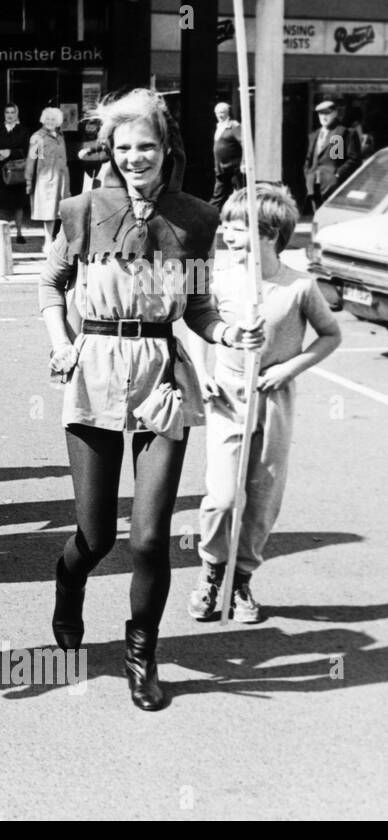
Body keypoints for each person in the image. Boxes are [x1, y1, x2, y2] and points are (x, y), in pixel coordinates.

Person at [39, 88, 264, 712]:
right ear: (110, 151)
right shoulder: (83, 210)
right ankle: (68, 587)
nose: (135, 157)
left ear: (167, 151)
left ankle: (142, 656)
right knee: (95, 536)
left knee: (148, 539)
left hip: (163, 375)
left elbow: (198, 307)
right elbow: (52, 282)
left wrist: (228, 333)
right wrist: (61, 341)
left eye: (147, 147)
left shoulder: (193, 218)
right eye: (124, 147)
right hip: (95, 369)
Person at [186, 185, 341, 624]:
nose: (228, 236)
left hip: (274, 398)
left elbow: (331, 335)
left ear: (271, 235)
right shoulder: (216, 276)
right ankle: (212, 569)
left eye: (239, 229)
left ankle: (242, 579)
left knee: (263, 494)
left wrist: (288, 369)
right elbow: (197, 328)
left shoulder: (299, 287)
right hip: (228, 394)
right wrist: (203, 373)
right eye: (226, 227)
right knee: (222, 494)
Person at [304, 100, 362, 213]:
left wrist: (337, 174)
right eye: (321, 113)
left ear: (335, 113)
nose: (323, 117)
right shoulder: (314, 134)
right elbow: (309, 158)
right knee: (317, 215)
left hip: (333, 184)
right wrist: (307, 173)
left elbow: (354, 159)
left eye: (327, 113)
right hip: (313, 183)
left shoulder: (344, 132)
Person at [0, 103, 30, 244]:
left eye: (13, 112)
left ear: (17, 114)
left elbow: (28, 150)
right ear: (4, 114)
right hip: (1, 173)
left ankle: (19, 233)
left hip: (17, 172)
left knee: (18, 204)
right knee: (2, 204)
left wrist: (11, 152)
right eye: (7, 113)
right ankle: (1, 236)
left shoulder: (23, 131)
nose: (10, 115)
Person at [25, 106, 70, 241]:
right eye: (48, 119)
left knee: (62, 209)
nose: (50, 121)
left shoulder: (61, 136)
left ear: (58, 121)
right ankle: (48, 240)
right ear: (43, 120)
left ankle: (60, 241)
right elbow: (31, 159)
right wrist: (28, 180)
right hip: (46, 179)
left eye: (53, 119)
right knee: (48, 211)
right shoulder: (37, 137)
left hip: (62, 178)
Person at [209, 102, 243, 211]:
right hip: (221, 169)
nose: (220, 115)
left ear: (228, 112)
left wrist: (244, 162)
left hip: (234, 168)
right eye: (218, 113)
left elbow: (244, 143)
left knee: (241, 193)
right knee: (218, 194)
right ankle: (210, 217)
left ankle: (245, 218)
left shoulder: (233, 125)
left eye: (223, 112)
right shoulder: (218, 126)